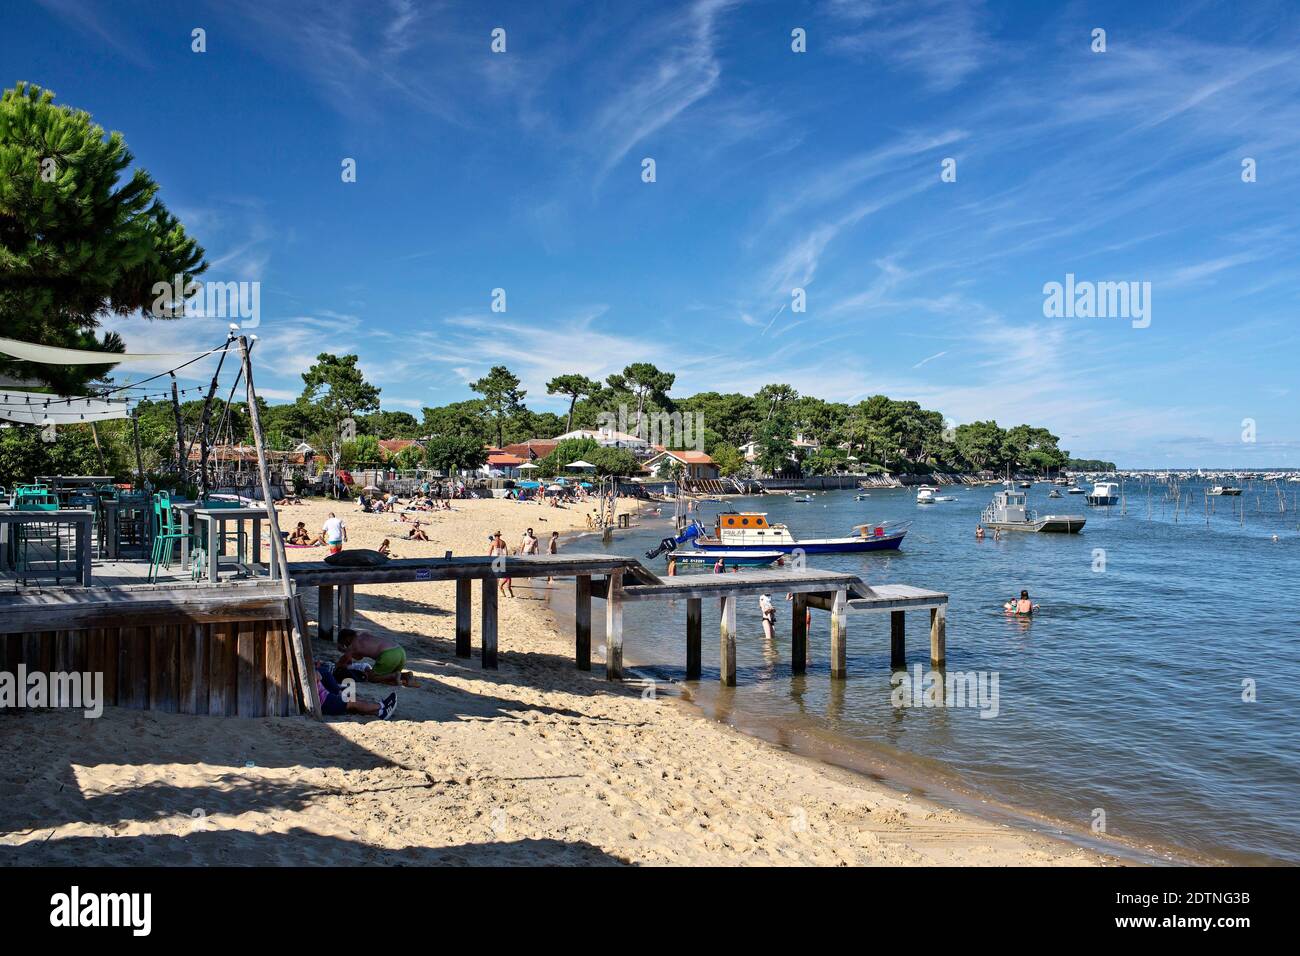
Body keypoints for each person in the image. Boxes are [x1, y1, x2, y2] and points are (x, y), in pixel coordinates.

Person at [336, 628, 417, 686]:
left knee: (371, 678)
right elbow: (358, 657)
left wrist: (338, 662)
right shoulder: (363, 635)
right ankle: (407, 675)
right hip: (400, 651)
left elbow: (345, 659)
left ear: (347, 639)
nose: (346, 646)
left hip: (388, 654)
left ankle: (395, 675)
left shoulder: (353, 644)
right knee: (385, 675)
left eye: (344, 644)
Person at [316, 662, 396, 720]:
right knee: (352, 703)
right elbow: (319, 677)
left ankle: (380, 712)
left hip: (322, 697)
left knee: (350, 704)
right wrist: (315, 670)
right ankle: (381, 706)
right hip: (323, 700)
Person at [489, 531, 513, 597]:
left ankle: (495, 590)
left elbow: (489, 553)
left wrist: (488, 560)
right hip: (502, 559)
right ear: (499, 536)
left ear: (495, 536)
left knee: (495, 575)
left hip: (495, 559)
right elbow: (506, 553)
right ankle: (503, 588)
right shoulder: (503, 542)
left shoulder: (493, 542)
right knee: (501, 574)